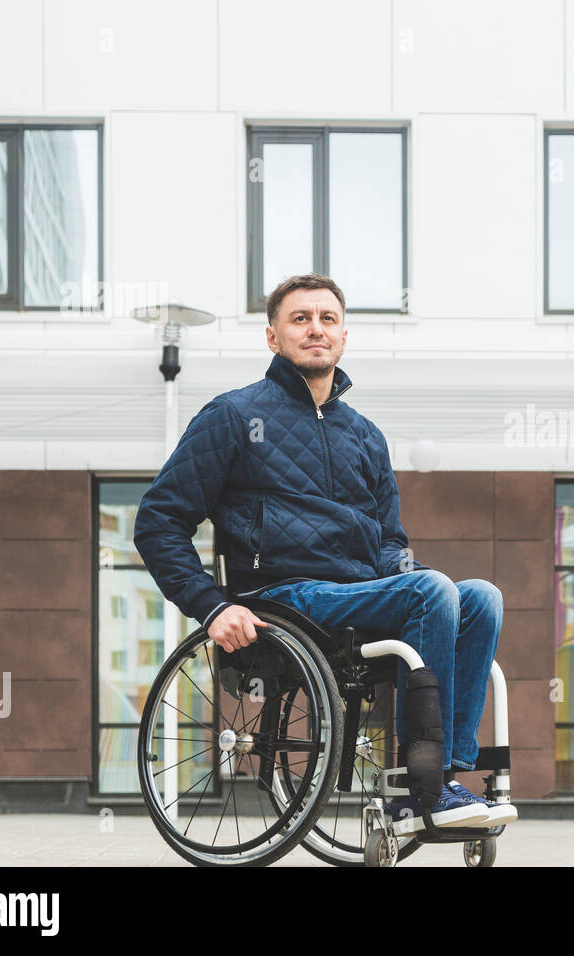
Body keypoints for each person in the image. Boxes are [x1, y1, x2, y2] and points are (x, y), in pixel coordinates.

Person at [133, 273, 515, 830]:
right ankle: (423, 789)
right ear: (272, 337)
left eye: (327, 319)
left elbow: (389, 544)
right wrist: (213, 606)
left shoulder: (365, 435)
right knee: (433, 591)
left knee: (480, 596)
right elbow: (158, 521)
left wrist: (419, 579)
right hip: (283, 597)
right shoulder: (233, 417)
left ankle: (448, 777)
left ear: (342, 336)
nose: (316, 329)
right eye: (300, 319)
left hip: (357, 596)